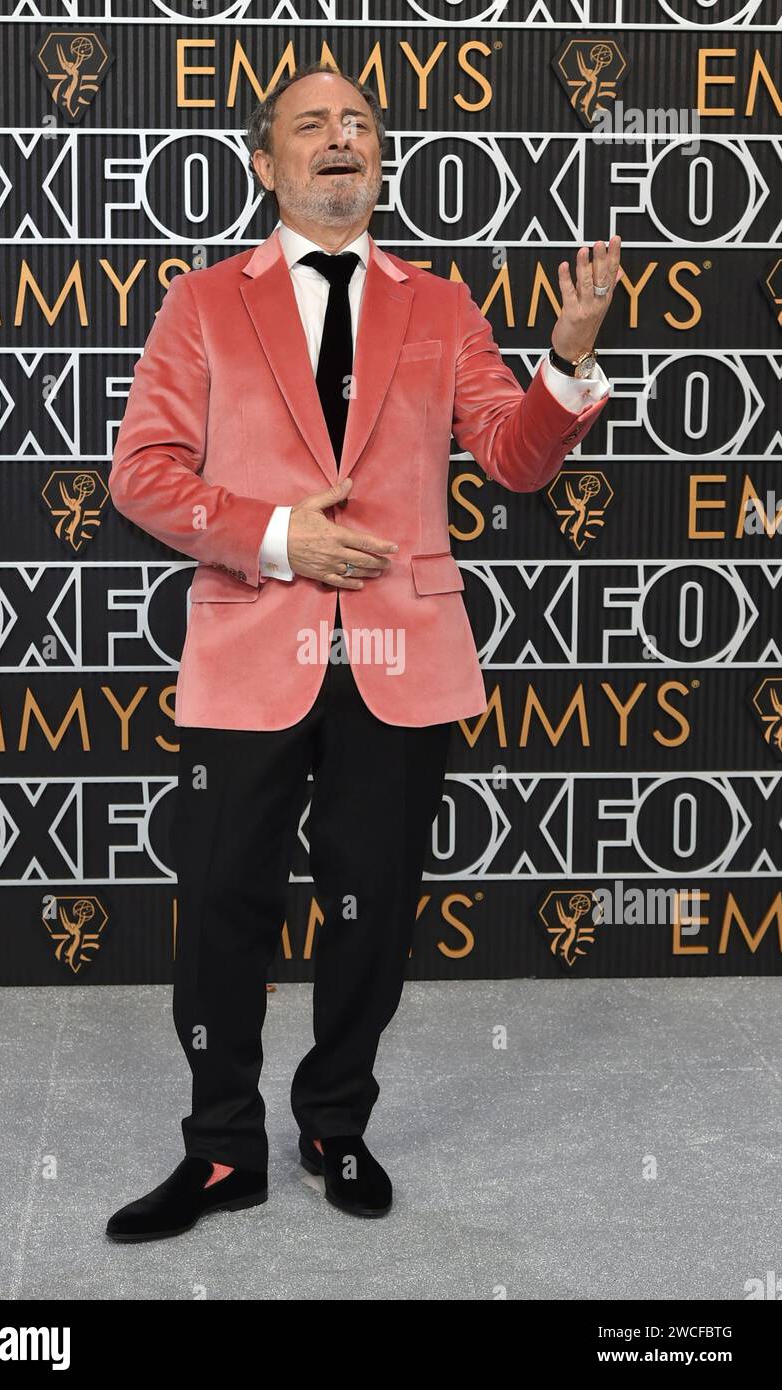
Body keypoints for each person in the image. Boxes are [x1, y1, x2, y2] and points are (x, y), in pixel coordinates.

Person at [105, 61, 621, 1241]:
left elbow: (512, 459)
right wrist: (279, 538)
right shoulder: (200, 304)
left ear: (378, 156)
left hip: (403, 654)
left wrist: (566, 360)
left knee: (370, 914)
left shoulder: (438, 305)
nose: (339, 140)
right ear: (264, 161)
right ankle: (222, 1149)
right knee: (224, 906)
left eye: (358, 125)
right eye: (311, 126)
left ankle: (336, 1121)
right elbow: (143, 474)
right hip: (249, 648)